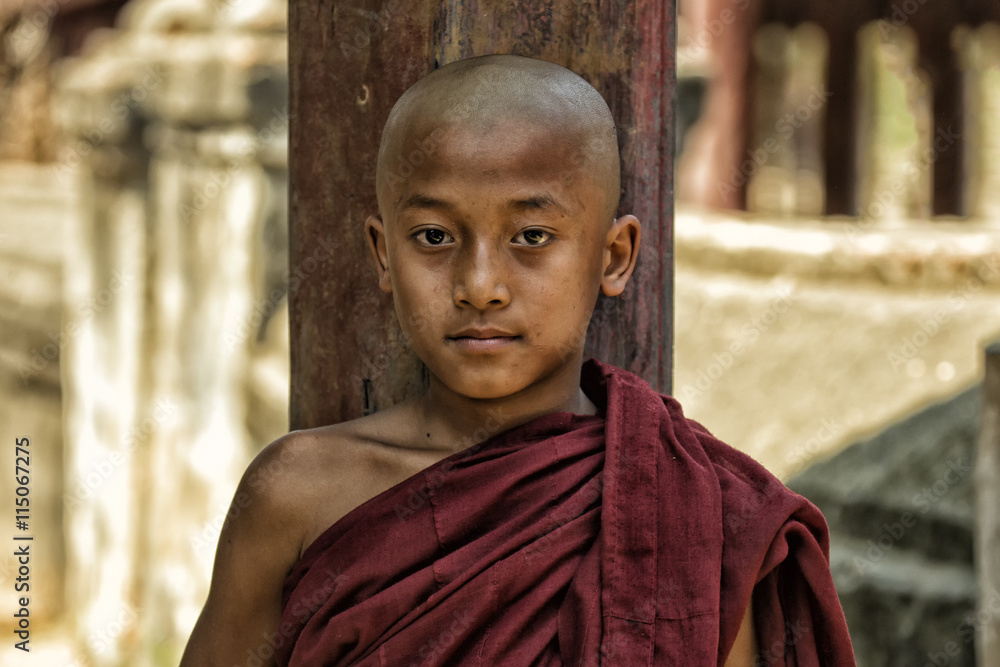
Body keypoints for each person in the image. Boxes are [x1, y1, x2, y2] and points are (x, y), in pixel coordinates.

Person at [181, 54, 855, 666]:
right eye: (434, 236)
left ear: (613, 257)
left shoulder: (703, 516)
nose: (480, 285)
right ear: (384, 255)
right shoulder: (296, 496)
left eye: (532, 236)